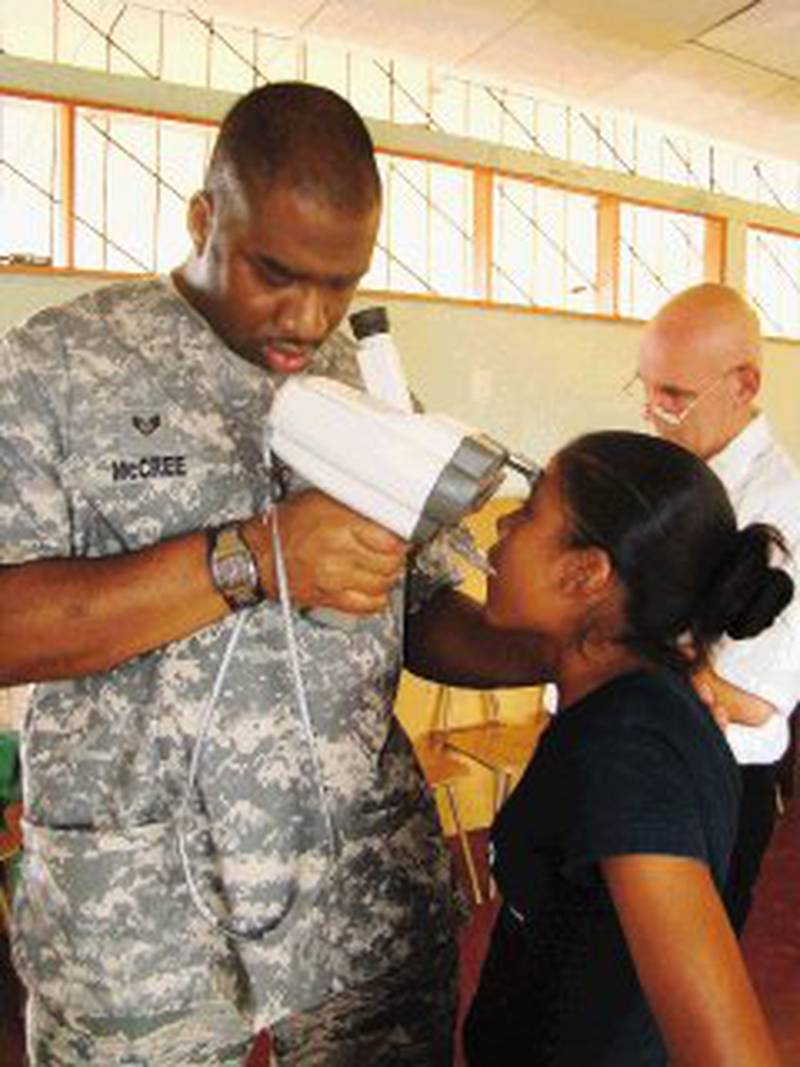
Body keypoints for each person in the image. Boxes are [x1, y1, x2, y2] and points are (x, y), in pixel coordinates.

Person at [0, 81, 540, 1066]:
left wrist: (568, 645)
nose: (307, 315)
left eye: (340, 281)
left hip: (357, 909)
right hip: (142, 933)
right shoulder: (59, 366)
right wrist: (254, 554)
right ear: (205, 218)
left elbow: (415, 613)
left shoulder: (356, 380)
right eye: (275, 271)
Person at [454, 430, 790, 1065]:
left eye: (527, 514)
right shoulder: (639, 699)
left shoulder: (628, 753)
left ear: (586, 572)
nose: (502, 525)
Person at [636, 282, 800, 931]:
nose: (652, 410)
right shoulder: (671, 473)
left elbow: (748, 696)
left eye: (673, 395)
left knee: (673, 1005)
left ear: (745, 384)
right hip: (634, 763)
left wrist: (598, 649)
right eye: (644, 387)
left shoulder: (779, 512)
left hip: (710, 786)